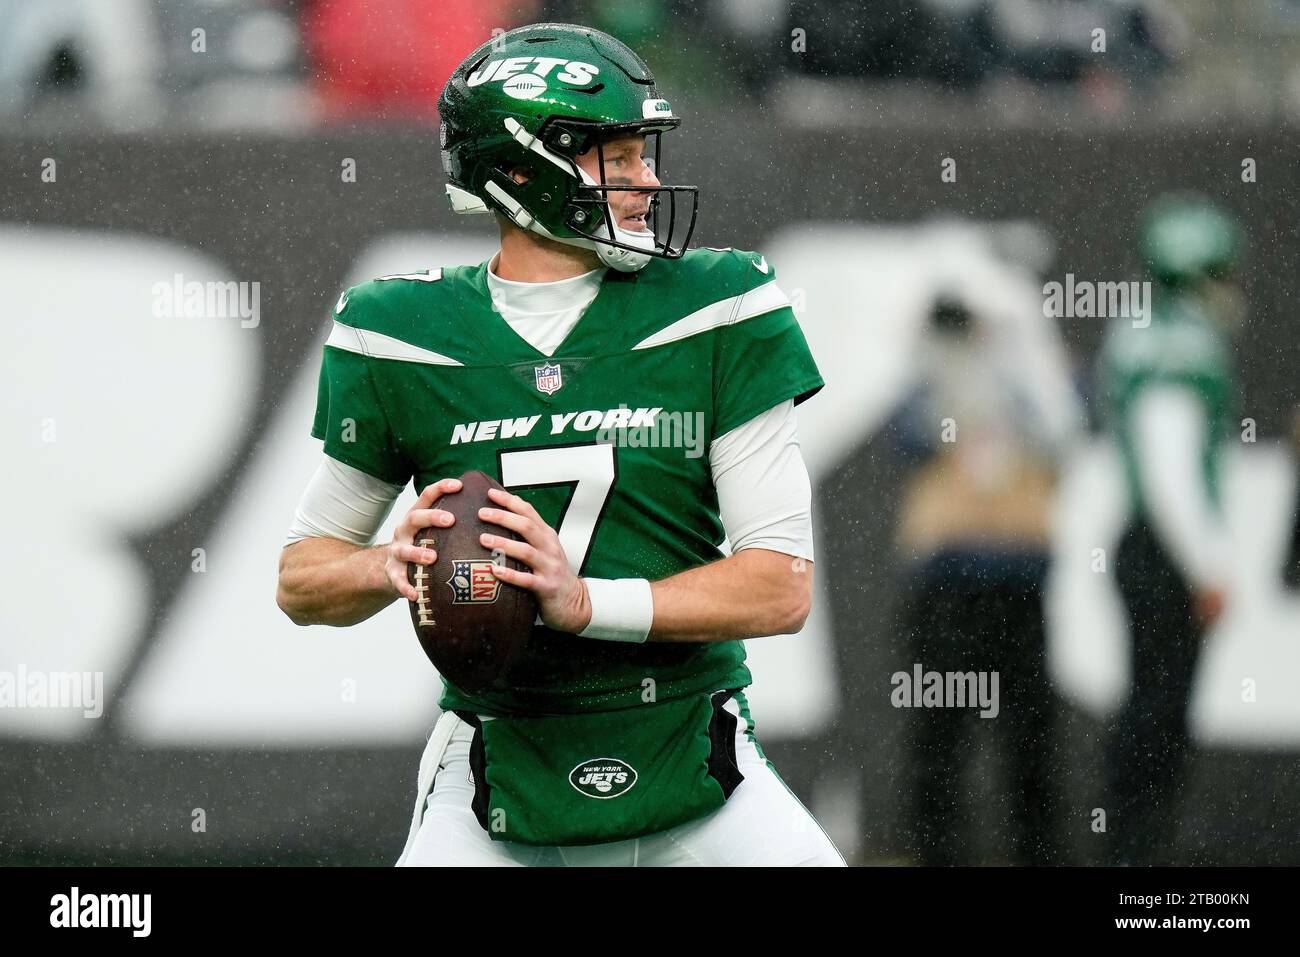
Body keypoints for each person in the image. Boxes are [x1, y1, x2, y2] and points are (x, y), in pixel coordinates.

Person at [275, 22, 844, 867]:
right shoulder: (400, 332)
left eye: (644, 154)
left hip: (693, 762)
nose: (648, 180)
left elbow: (780, 587)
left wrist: (586, 602)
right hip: (497, 773)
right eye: (617, 158)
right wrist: (387, 562)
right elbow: (299, 577)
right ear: (520, 169)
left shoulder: (720, 304)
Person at [888, 290, 1083, 865]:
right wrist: (950, 377)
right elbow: (912, 437)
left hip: (1017, 584)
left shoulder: (1037, 385)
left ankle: (1039, 856)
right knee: (939, 740)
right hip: (946, 588)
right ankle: (938, 857)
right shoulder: (926, 383)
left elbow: (1066, 435)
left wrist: (1022, 376)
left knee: (1031, 741)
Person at [1096, 193, 1245, 866]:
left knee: (1150, 711)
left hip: (1147, 544)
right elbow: (1171, 470)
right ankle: (1135, 861)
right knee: (1157, 717)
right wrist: (1207, 564)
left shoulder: (1141, 329)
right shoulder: (1177, 343)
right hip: (1163, 549)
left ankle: (1133, 853)